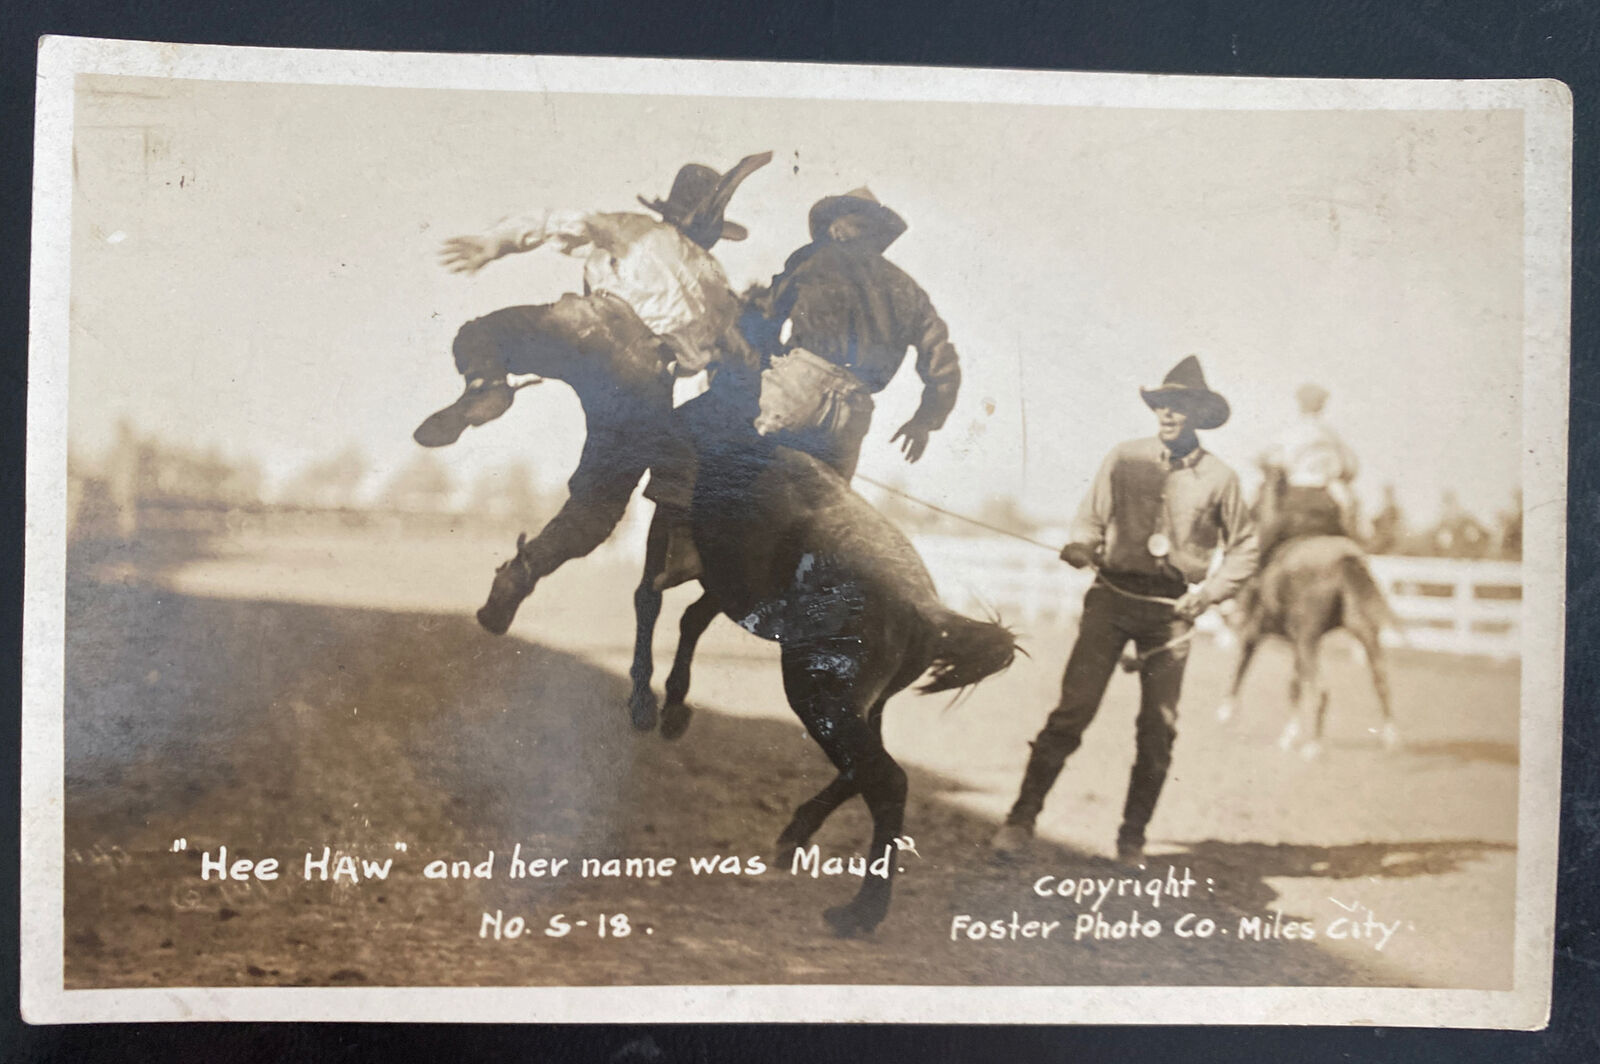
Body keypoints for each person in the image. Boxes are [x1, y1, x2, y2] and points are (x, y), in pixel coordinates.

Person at [410, 154, 770, 631]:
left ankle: (487, 385)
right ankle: (526, 569)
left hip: (588, 326)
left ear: (671, 210)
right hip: (646, 380)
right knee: (598, 507)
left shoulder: (641, 230)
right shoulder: (718, 285)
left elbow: (559, 221)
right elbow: (739, 360)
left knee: (481, 336)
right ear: (713, 227)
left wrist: (492, 243)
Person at [991, 356, 1259, 866]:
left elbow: (1244, 548)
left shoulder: (1221, 479)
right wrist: (1082, 545)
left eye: (1179, 405)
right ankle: (1020, 820)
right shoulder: (1123, 458)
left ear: (1198, 414)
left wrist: (1207, 595)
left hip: (1172, 611)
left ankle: (1132, 838)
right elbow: (1090, 520)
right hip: (1111, 599)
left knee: (1159, 728)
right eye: (1162, 404)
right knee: (1074, 711)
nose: (1168, 414)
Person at [651, 187, 963, 589]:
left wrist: (747, 363)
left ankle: (687, 545)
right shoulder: (909, 290)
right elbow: (944, 362)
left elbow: (764, 317)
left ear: (843, 225)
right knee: (823, 519)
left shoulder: (815, 257)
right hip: (855, 413)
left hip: (801, 386)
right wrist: (925, 419)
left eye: (834, 222)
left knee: (685, 429)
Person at [1256, 382, 1359, 560]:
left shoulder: (1289, 433)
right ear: (1322, 405)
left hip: (1297, 498)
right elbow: (1349, 468)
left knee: (1264, 542)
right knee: (1351, 542)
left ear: (1300, 404)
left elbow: (1273, 463)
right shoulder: (1332, 435)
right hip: (1328, 500)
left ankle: (1254, 576)